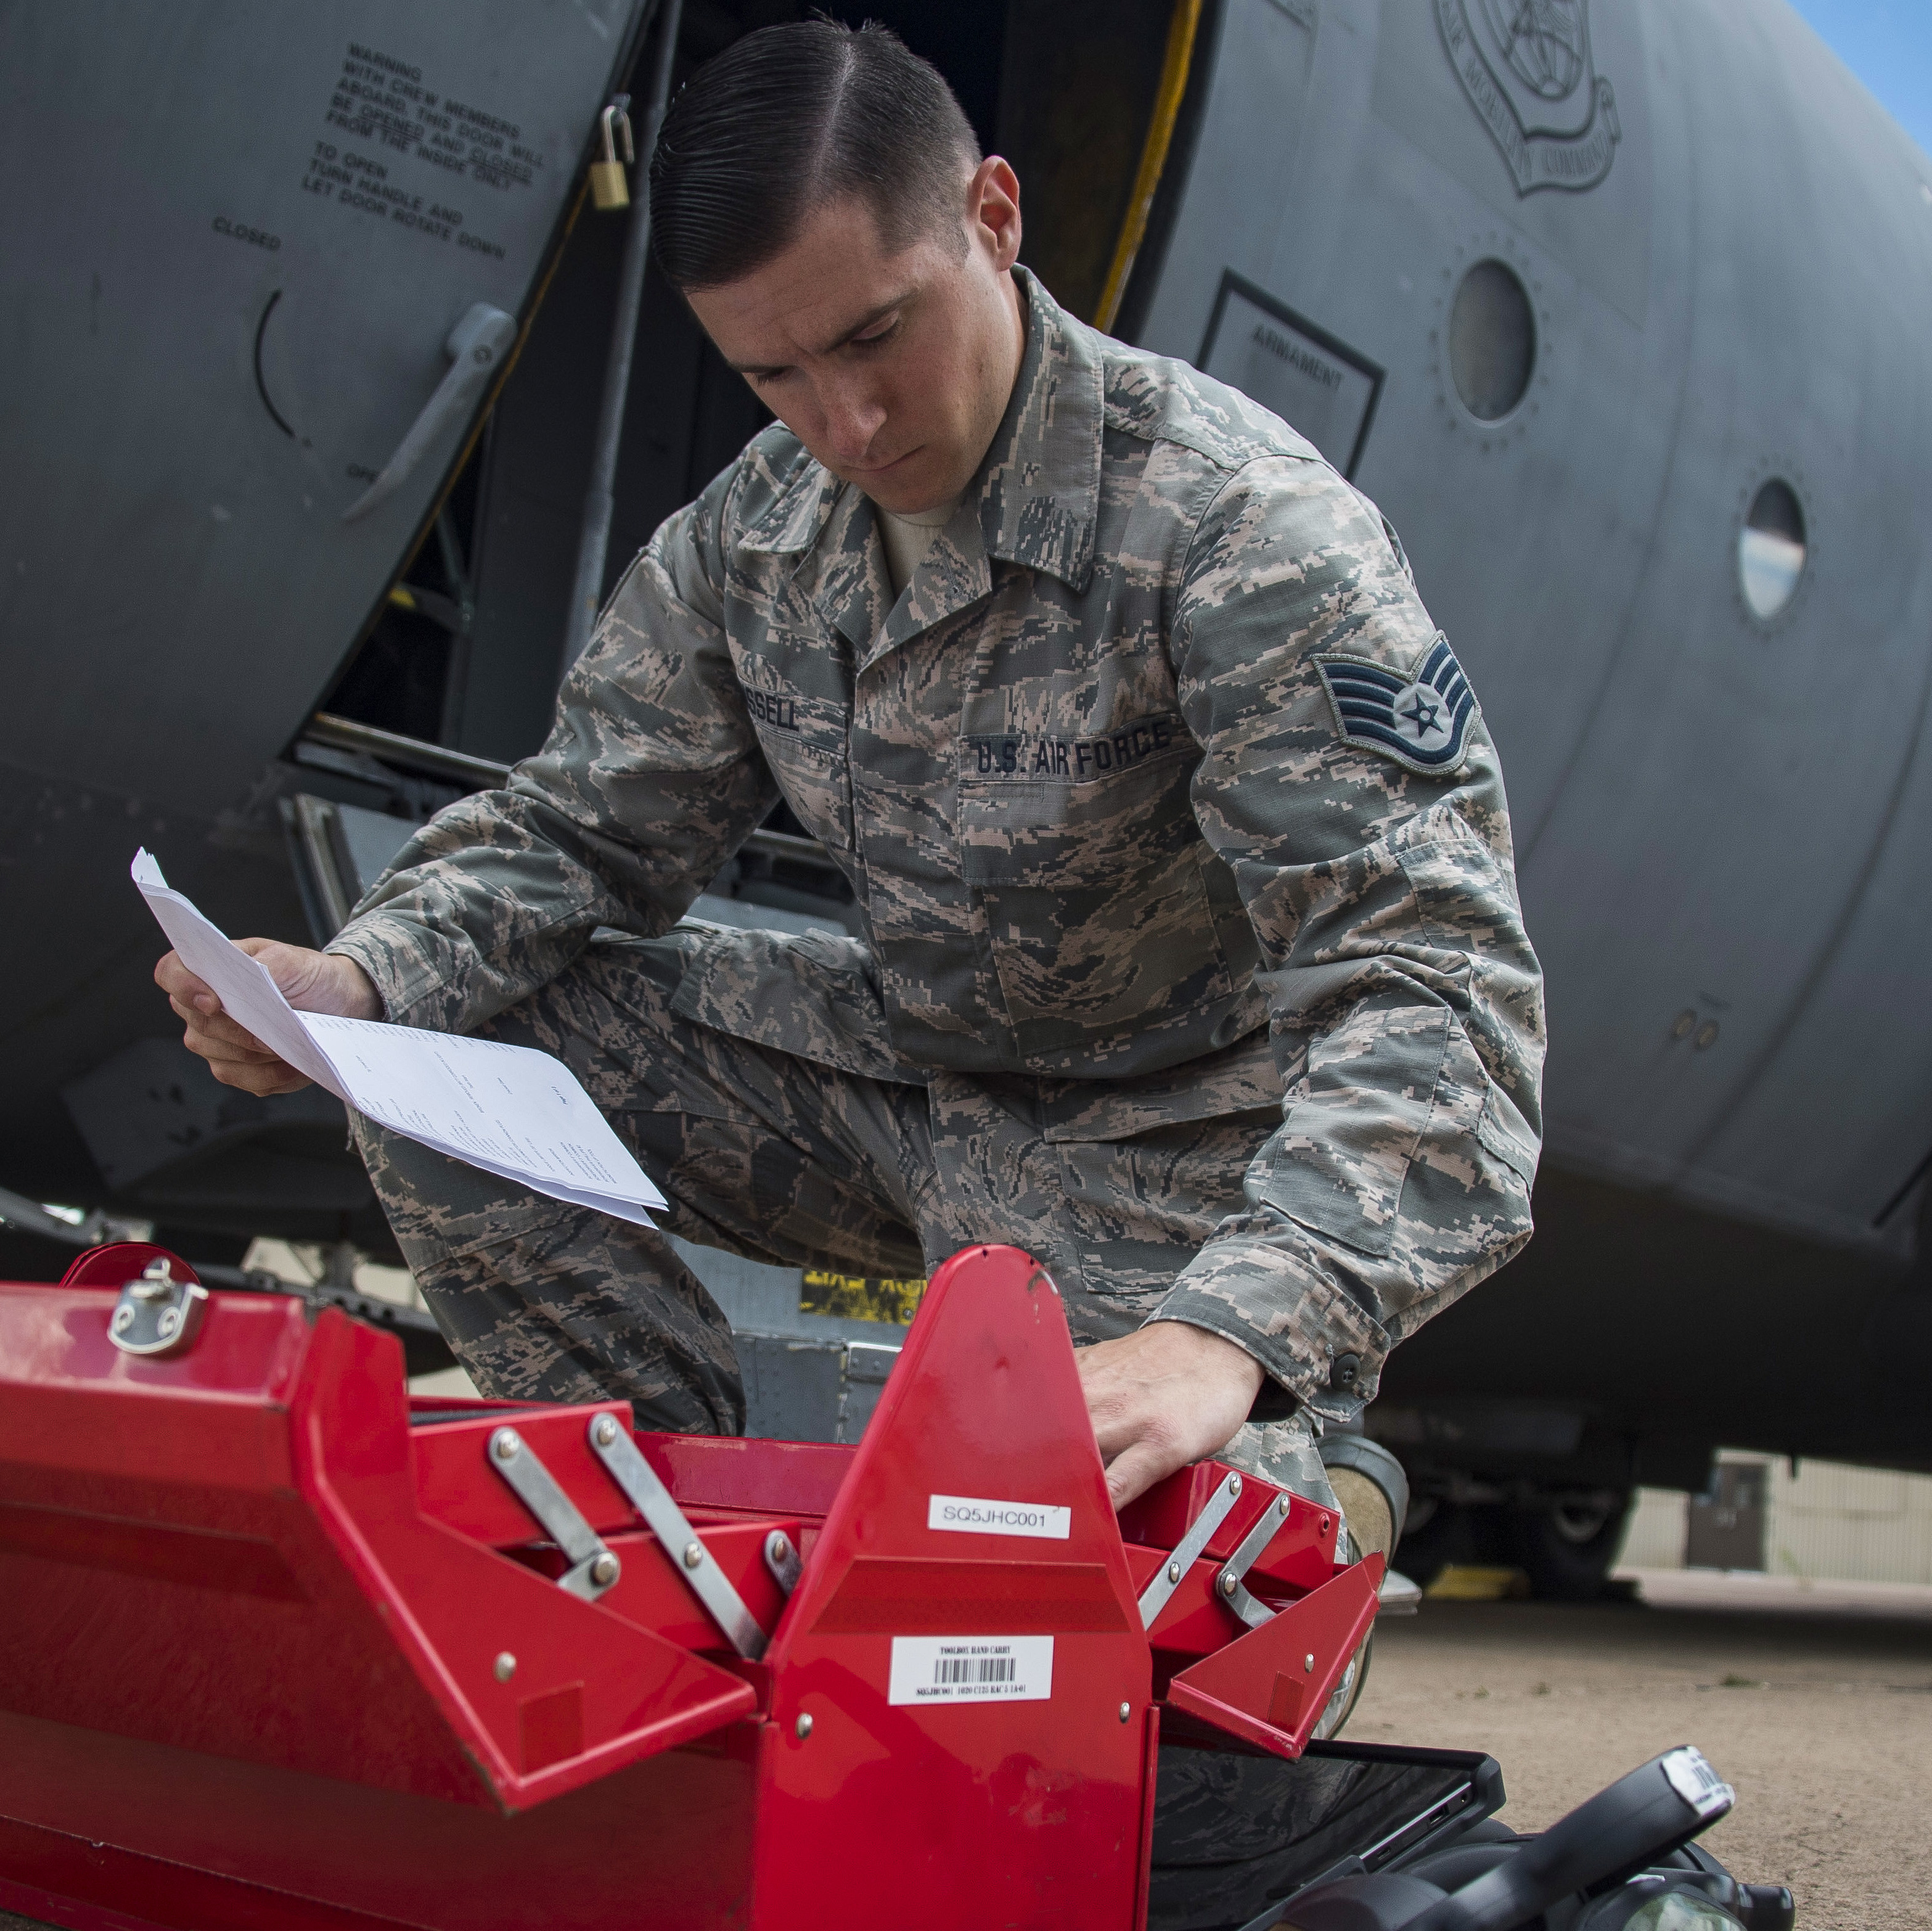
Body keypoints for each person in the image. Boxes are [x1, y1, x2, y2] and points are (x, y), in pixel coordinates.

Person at [157, 19, 1542, 1515]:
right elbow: (574, 831)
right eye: (776, 374)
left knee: (1103, 1630)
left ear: (992, 218)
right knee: (437, 1048)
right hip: (909, 1081)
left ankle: (1322, 1483)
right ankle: (674, 1538)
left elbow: (1438, 992)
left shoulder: (1240, 529)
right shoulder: (759, 536)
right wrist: (358, 983)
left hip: (1172, 1147)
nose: (848, 423)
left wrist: (1232, 1333)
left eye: (878, 336)